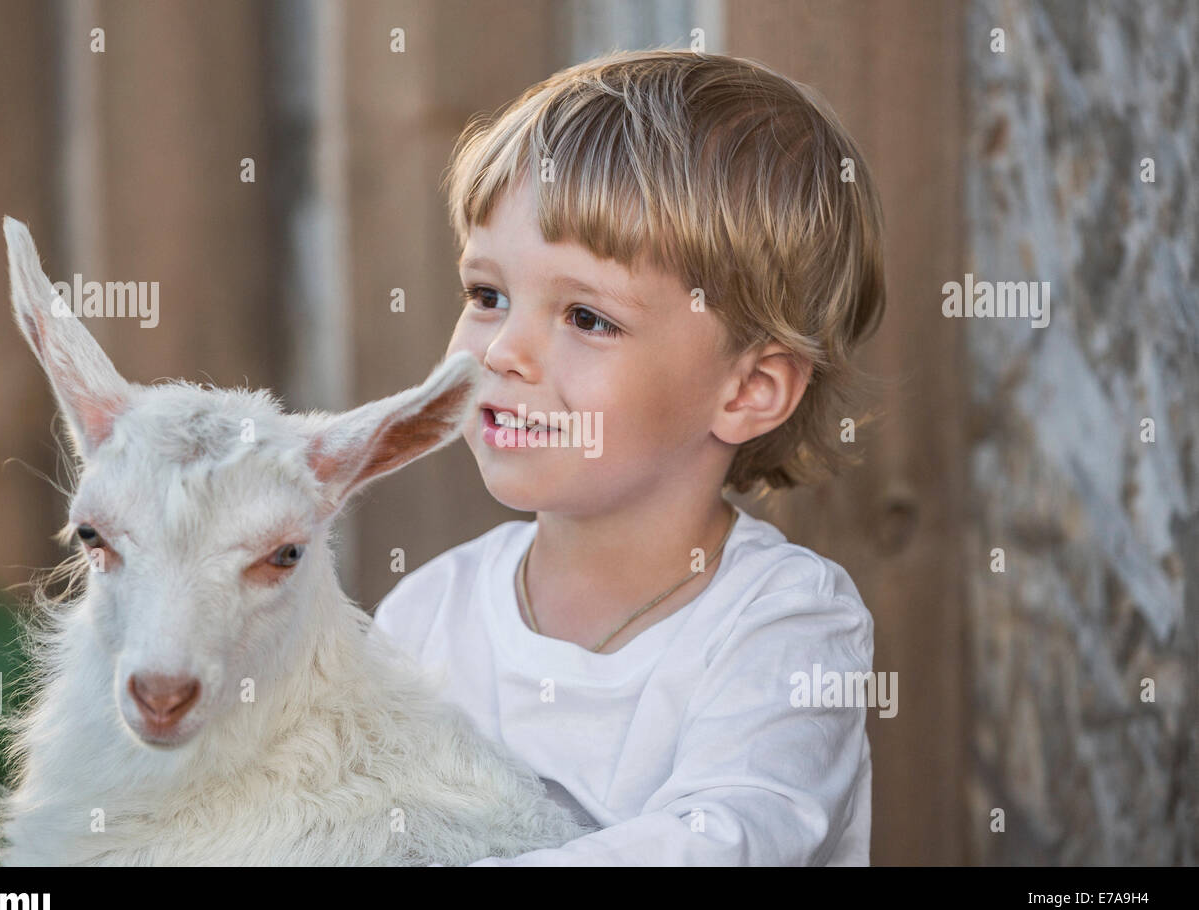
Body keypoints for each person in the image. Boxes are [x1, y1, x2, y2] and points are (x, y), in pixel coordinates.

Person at [372, 48, 887, 865]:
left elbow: (725, 841)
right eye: (487, 295)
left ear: (749, 390)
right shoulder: (425, 618)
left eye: (587, 317)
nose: (504, 350)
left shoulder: (784, 624)